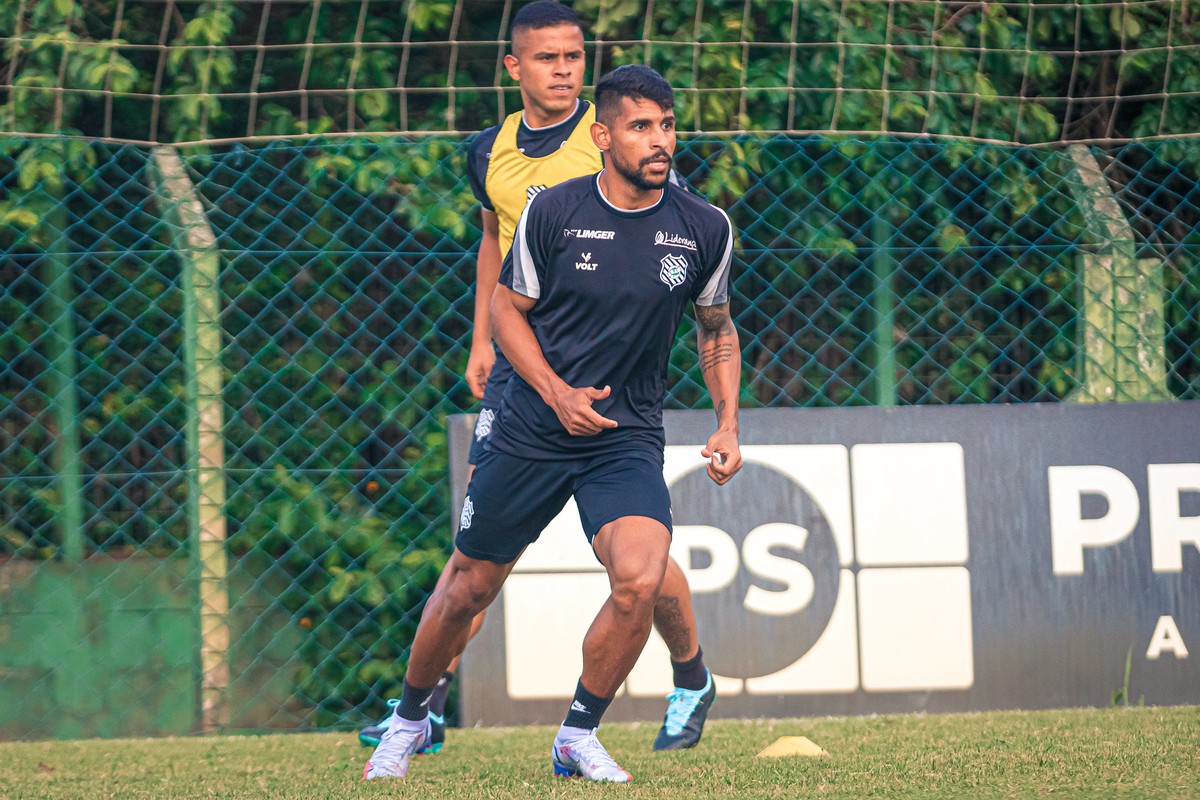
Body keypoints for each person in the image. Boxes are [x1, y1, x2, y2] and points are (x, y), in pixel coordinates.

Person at [364, 63, 743, 783]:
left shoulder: (704, 228)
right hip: (532, 426)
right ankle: (410, 719)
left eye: (666, 125)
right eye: (640, 127)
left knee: (639, 575)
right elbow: (508, 312)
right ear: (603, 136)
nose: (659, 140)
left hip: (624, 434)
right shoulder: (556, 211)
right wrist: (555, 391)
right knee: (468, 585)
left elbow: (717, 328)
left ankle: (577, 734)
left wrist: (727, 423)